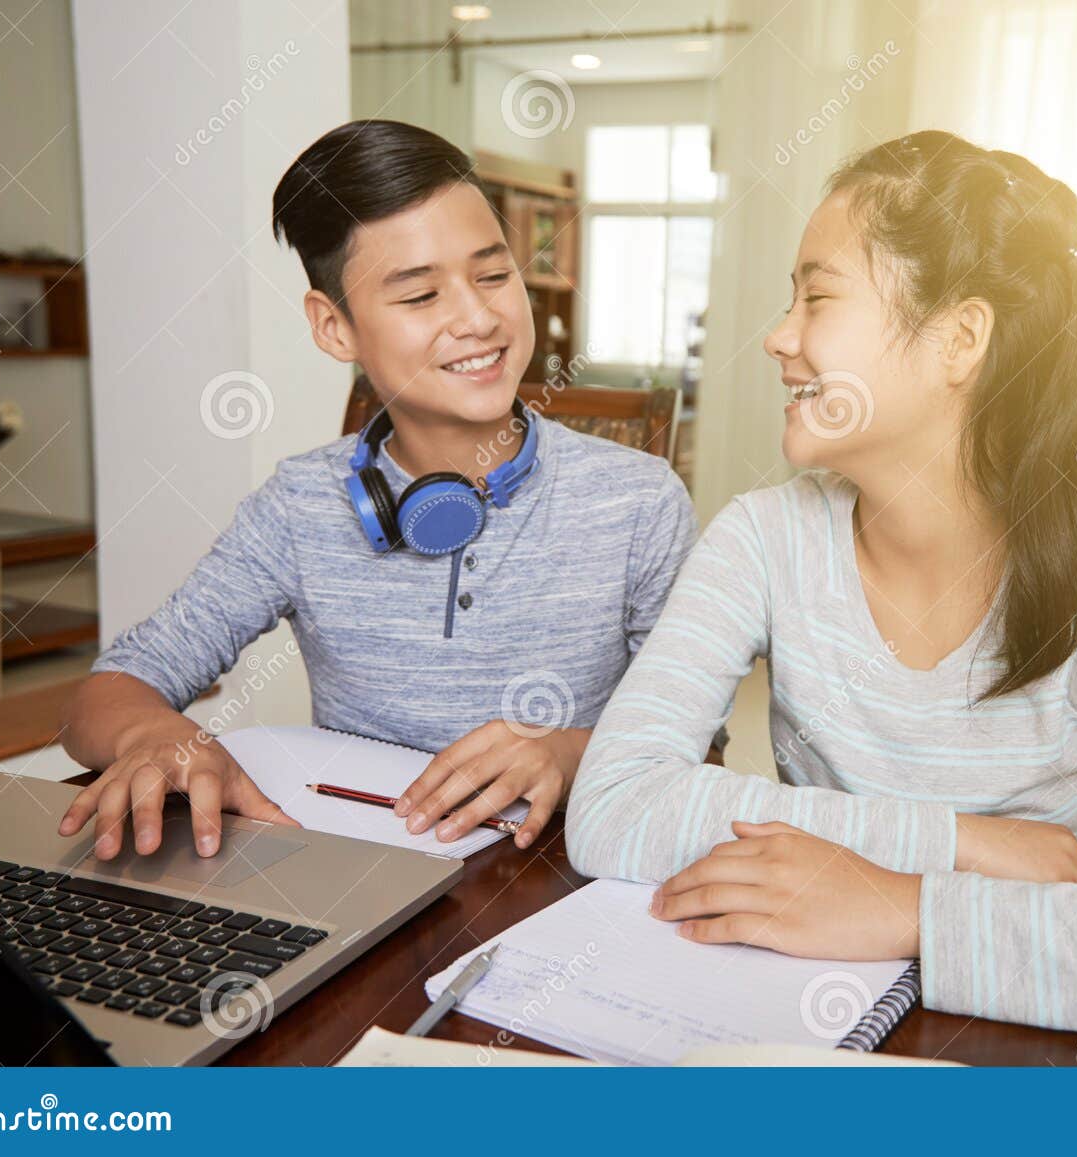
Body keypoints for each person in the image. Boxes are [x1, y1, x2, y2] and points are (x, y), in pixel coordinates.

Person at [566, 131, 1077, 1060]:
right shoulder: (763, 538)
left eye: (819, 296)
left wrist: (905, 902)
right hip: (812, 1028)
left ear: (960, 338)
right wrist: (962, 842)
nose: (777, 336)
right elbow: (615, 803)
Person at [58, 120, 696, 861]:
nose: (480, 317)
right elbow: (103, 694)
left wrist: (568, 751)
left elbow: (695, 741)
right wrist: (153, 736)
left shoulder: (640, 501)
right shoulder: (300, 504)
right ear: (335, 329)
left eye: (493, 275)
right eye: (422, 295)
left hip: (559, 877)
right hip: (366, 878)